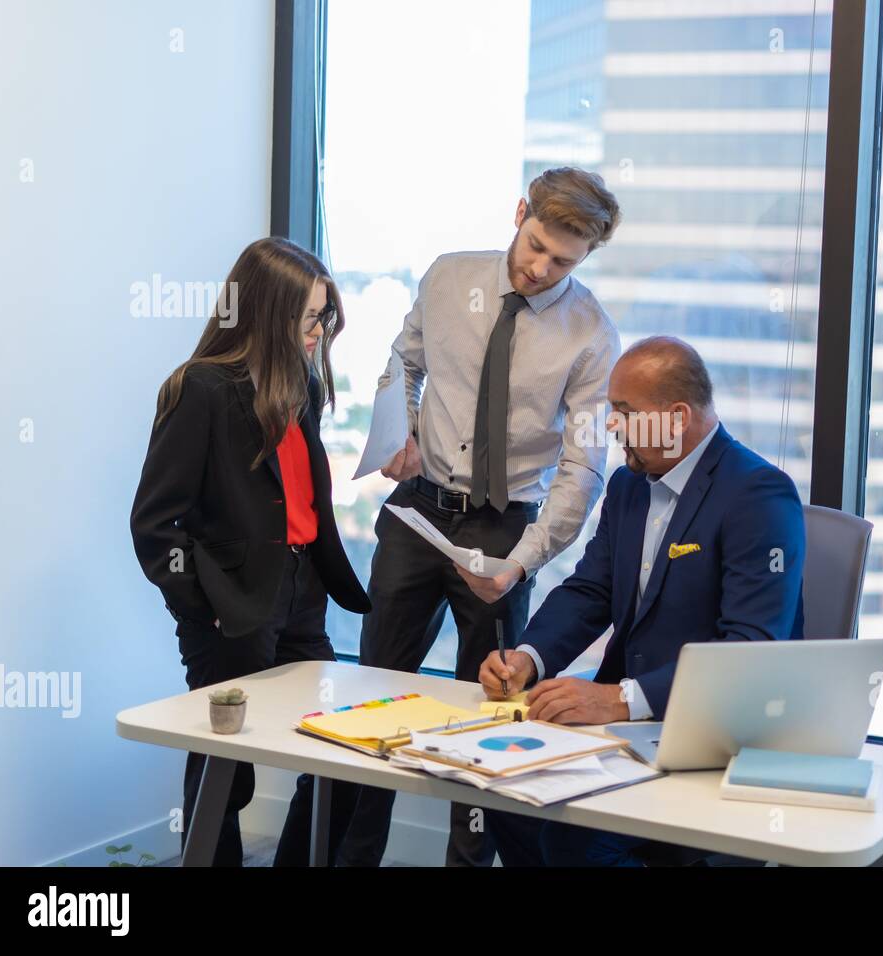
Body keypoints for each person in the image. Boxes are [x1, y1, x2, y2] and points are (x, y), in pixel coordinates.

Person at [336, 167, 622, 867]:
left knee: (490, 724)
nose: (539, 268)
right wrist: (397, 428)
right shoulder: (446, 278)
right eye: (535, 246)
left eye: (562, 262)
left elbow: (584, 470)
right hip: (419, 510)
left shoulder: (591, 335)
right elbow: (401, 364)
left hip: (505, 529)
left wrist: (525, 560)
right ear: (520, 212)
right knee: (374, 699)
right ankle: (345, 859)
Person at [478, 335, 806, 866]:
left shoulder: (758, 494)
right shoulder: (629, 487)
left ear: (676, 417)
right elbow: (591, 590)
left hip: (714, 738)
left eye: (624, 412)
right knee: (501, 793)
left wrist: (620, 699)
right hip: (628, 733)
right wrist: (528, 658)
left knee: (571, 838)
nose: (611, 425)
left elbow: (752, 651)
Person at [130, 237, 372, 866]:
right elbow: (154, 524)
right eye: (310, 316)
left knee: (339, 751)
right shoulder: (201, 389)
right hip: (230, 603)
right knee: (222, 772)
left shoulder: (303, 390)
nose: (320, 331)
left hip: (302, 594)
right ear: (267, 312)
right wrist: (202, 606)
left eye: (324, 316)